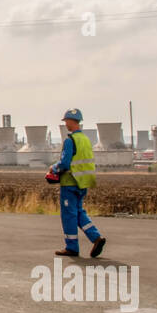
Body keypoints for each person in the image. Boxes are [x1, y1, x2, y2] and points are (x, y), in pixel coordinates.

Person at [46, 108, 107, 258]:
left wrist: (53, 168)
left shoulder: (70, 140)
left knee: (69, 215)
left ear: (71, 121)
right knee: (79, 212)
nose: (65, 123)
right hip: (83, 182)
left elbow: (65, 163)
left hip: (70, 182)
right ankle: (96, 237)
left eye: (66, 121)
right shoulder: (86, 140)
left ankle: (71, 247)